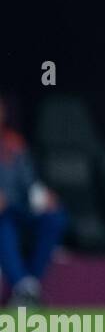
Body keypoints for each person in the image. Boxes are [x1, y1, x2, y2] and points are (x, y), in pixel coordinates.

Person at [0, 98, 67, 306]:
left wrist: (43, 195)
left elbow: (29, 182)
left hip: (19, 207)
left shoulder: (13, 143)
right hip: (4, 215)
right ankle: (24, 286)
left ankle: (28, 285)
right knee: (3, 221)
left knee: (55, 216)